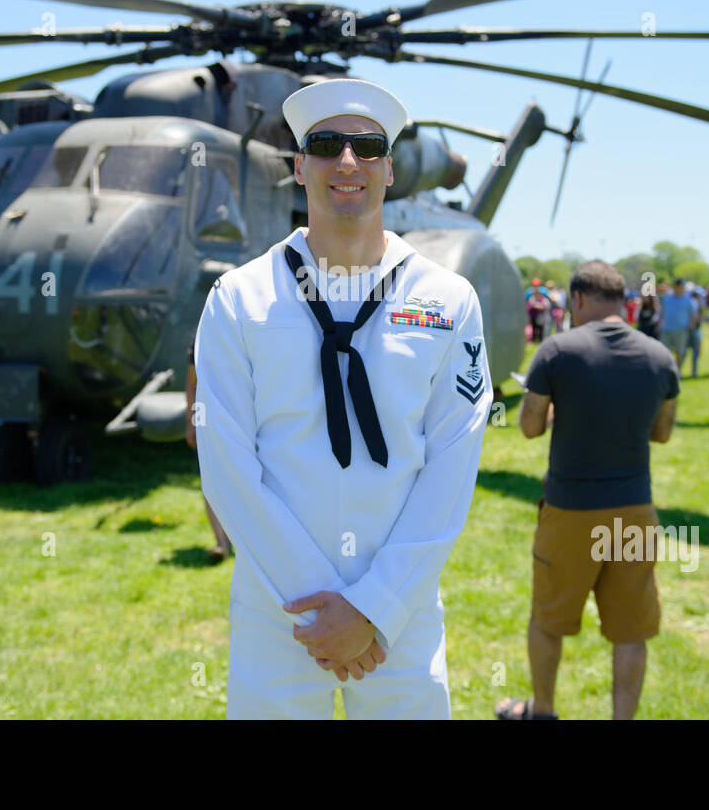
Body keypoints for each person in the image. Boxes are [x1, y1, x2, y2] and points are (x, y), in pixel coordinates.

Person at [193, 77, 492, 719]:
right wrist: (323, 607)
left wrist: (374, 608)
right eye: (326, 145)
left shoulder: (448, 299)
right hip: (280, 609)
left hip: (400, 616)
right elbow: (225, 464)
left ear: (389, 167)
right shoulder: (239, 298)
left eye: (366, 145)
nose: (347, 161)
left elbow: (452, 464)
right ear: (299, 168)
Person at [498, 260, 678, 720]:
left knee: (547, 619)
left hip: (570, 511)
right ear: (622, 301)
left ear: (577, 299)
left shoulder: (556, 351)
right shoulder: (660, 357)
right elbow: (661, 433)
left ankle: (541, 711)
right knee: (631, 631)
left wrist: (557, 408)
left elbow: (530, 427)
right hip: (635, 508)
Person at [184, 335, 231, 564]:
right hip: (209, 422)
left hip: (240, 422)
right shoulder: (202, 337)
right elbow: (192, 383)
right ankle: (221, 543)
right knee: (211, 483)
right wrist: (191, 422)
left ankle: (240, 539)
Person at [659, 279, 697, 376]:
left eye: (680, 286)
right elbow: (662, 312)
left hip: (681, 330)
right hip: (666, 329)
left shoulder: (689, 299)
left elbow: (694, 315)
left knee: (680, 352)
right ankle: (665, 371)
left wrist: (690, 326)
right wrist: (659, 324)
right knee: (663, 352)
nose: (678, 288)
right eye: (676, 286)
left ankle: (677, 372)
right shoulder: (667, 298)